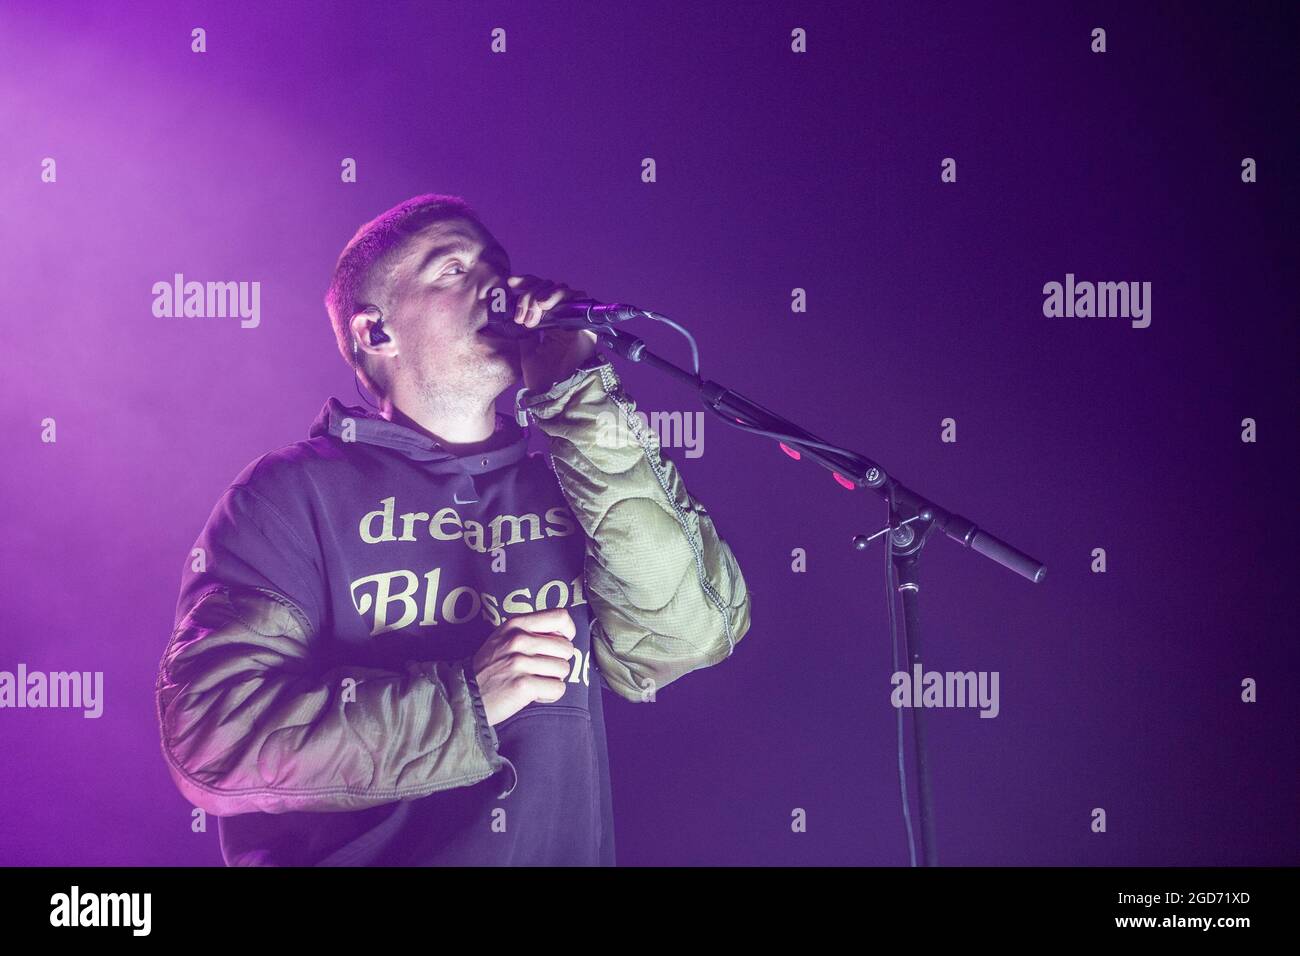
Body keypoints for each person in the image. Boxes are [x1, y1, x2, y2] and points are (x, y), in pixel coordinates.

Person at [153, 193, 752, 865]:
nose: (495, 285)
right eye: (453, 268)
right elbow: (217, 741)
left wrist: (578, 394)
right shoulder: (291, 493)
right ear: (375, 332)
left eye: (497, 264)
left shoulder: (569, 477)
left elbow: (689, 633)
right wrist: (465, 703)